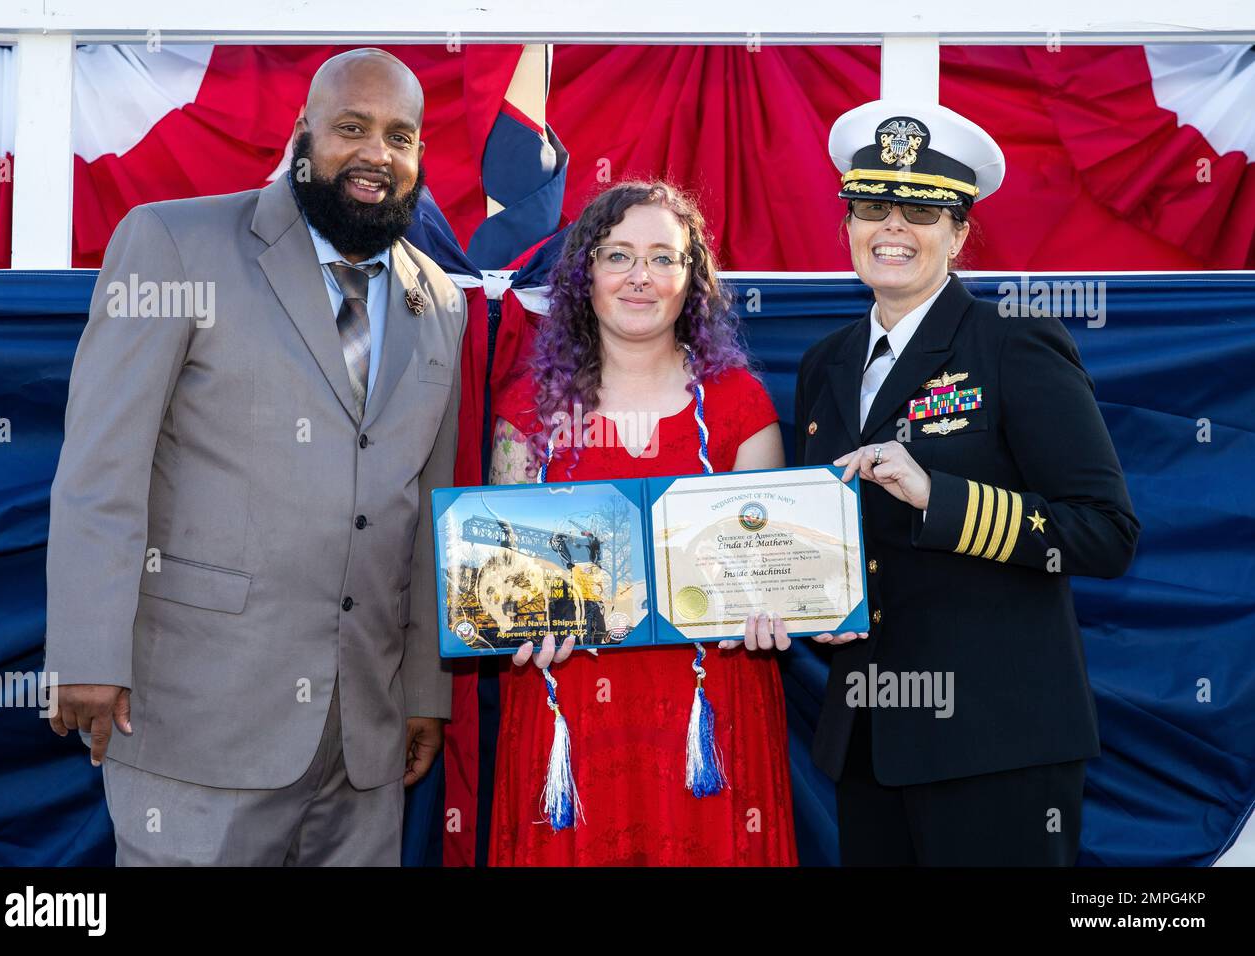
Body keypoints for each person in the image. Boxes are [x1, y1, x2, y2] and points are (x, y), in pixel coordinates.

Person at [43, 49, 464, 866]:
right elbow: (102, 469)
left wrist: (422, 690)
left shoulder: (438, 298)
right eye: (351, 128)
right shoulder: (174, 243)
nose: (377, 154)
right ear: (302, 132)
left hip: (362, 742)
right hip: (200, 719)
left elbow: (425, 505)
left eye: (400, 136)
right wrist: (89, 655)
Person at [794, 100, 1140, 865]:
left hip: (998, 744)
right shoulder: (826, 363)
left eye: (921, 209)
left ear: (958, 233)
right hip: (869, 740)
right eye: (872, 207)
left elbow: (1107, 533)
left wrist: (938, 498)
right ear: (847, 224)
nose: (893, 228)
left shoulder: (1014, 346)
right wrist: (807, 600)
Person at [487, 181, 798, 865]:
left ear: (692, 280)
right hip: (564, 705)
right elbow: (498, 584)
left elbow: (771, 572)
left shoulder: (739, 405)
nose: (640, 277)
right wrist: (518, 626)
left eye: (664, 258)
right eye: (619, 254)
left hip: (709, 708)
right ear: (585, 274)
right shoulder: (527, 411)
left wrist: (776, 611)